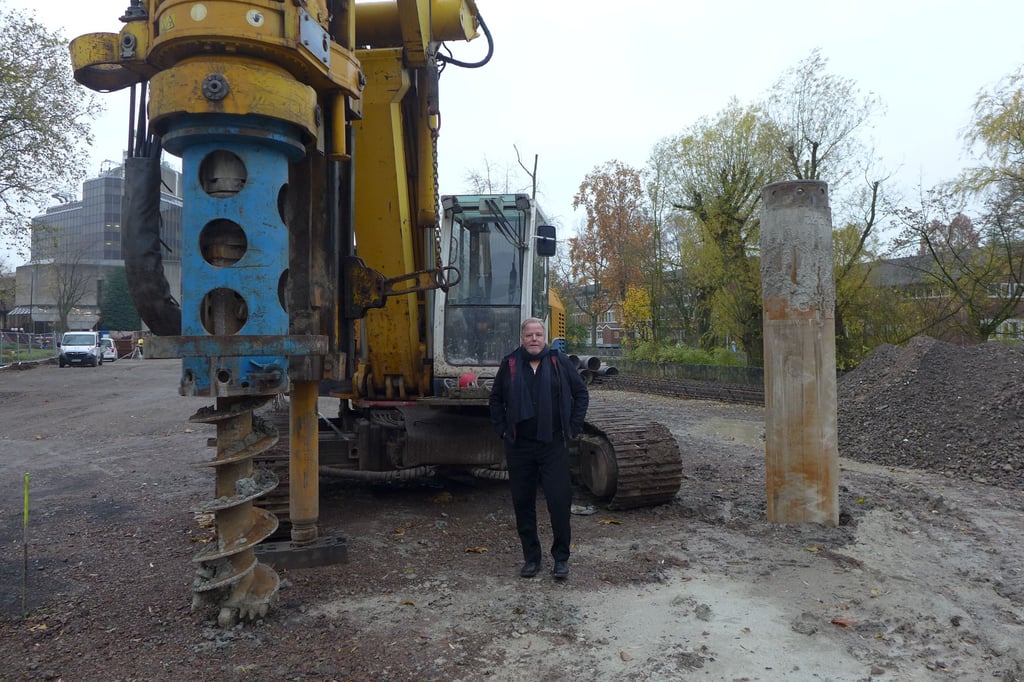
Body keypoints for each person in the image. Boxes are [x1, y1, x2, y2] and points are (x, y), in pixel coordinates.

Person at [489, 317, 589, 580]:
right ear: (521, 338)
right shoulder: (510, 364)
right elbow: (496, 399)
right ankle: (531, 559)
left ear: (545, 338)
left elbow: (581, 394)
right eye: (528, 335)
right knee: (523, 504)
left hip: (553, 445)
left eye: (538, 334)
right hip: (519, 446)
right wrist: (501, 429)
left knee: (558, 502)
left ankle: (561, 559)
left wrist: (574, 426)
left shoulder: (559, 362)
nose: (534, 339)